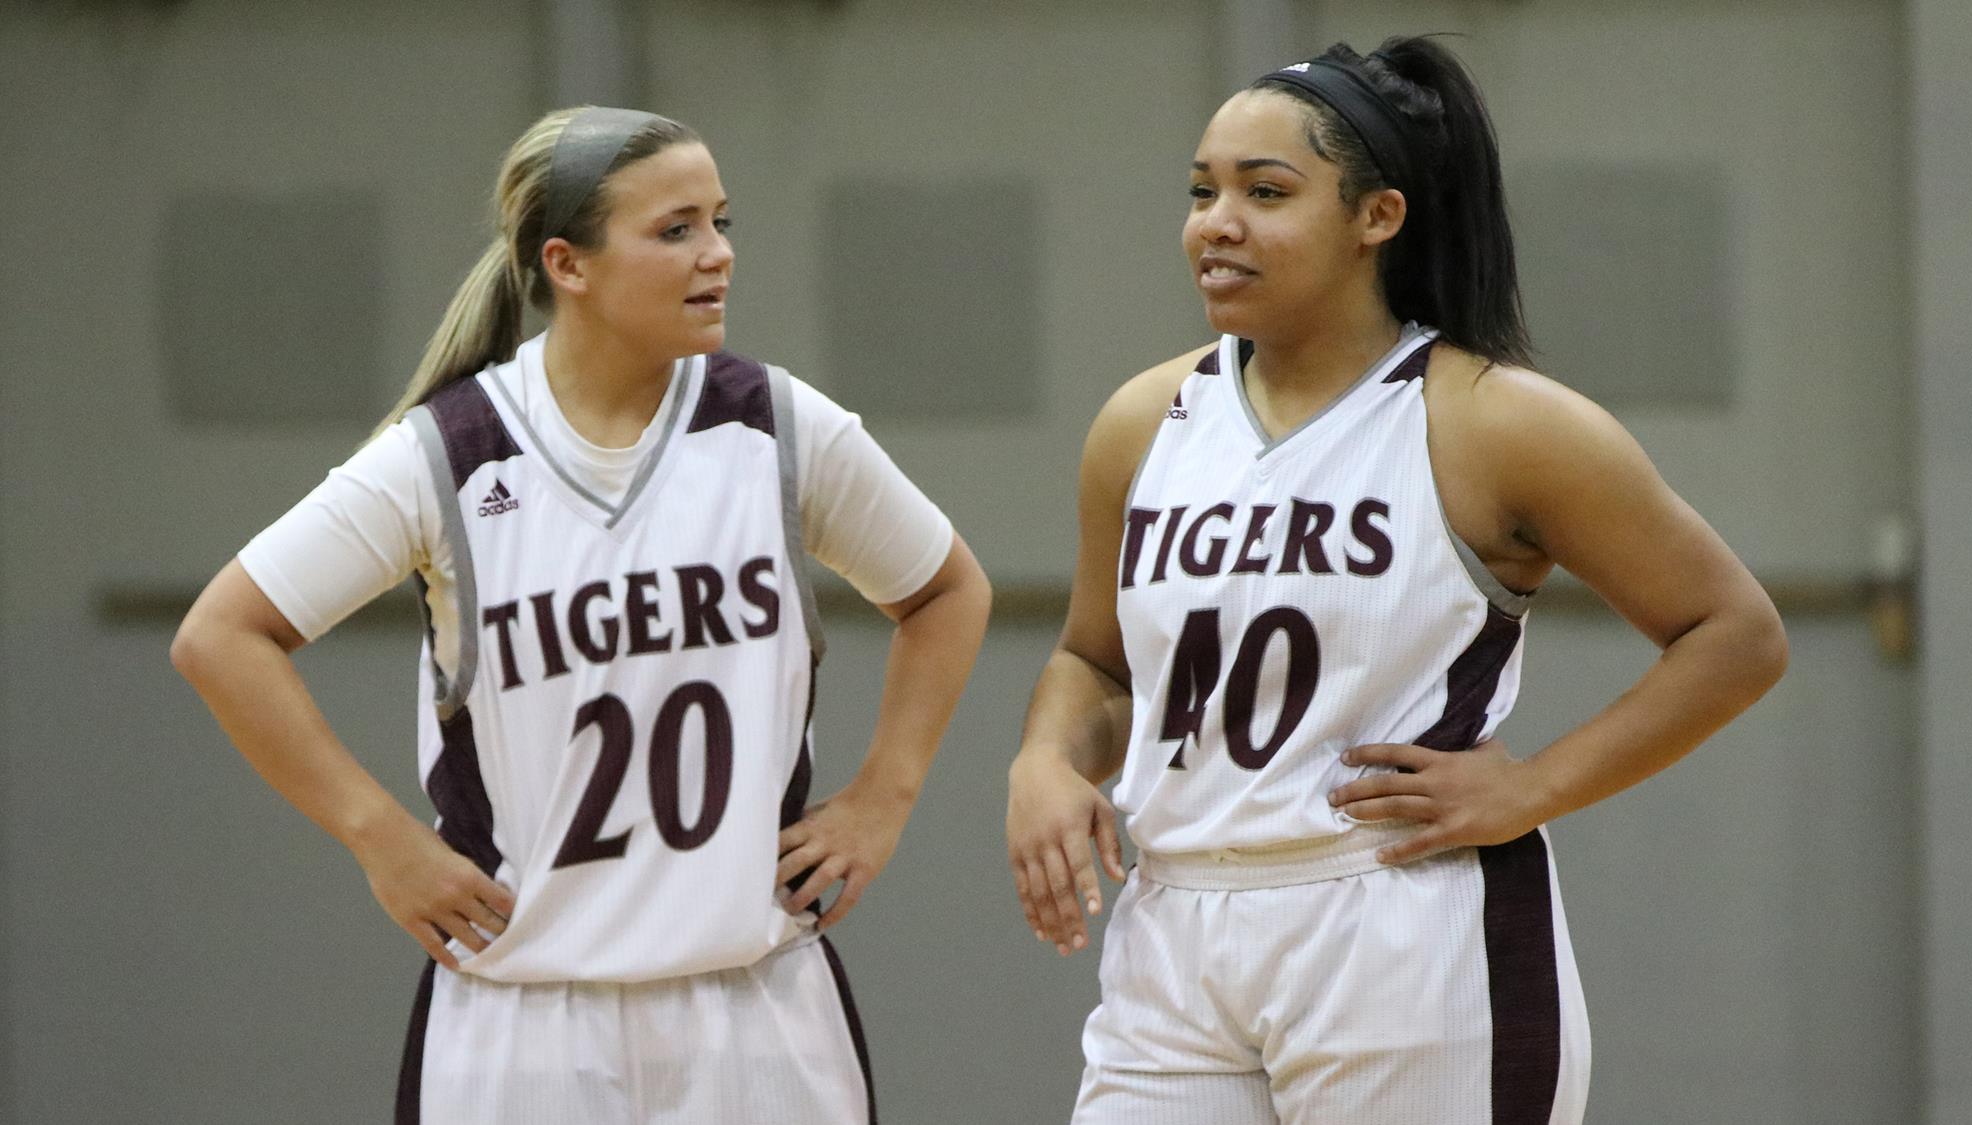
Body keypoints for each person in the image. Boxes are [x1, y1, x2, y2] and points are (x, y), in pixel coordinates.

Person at [1006, 37, 1787, 1125]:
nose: (1214, 222)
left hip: (1403, 925)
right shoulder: (1143, 422)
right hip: (1174, 925)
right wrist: (1046, 759)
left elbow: (1733, 634)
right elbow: (1094, 659)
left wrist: (1533, 786)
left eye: (1263, 191)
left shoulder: (1493, 420)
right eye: (1201, 190)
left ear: (1377, 216)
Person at [171, 106, 990, 1124]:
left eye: (721, 222)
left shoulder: (774, 424)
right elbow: (220, 636)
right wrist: (378, 836)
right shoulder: (449, 456)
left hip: (753, 1002)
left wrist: (885, 794)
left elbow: (946, 589)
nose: (718, 256)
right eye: (676, 229)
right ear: (568, 263)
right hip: (521, 1017)